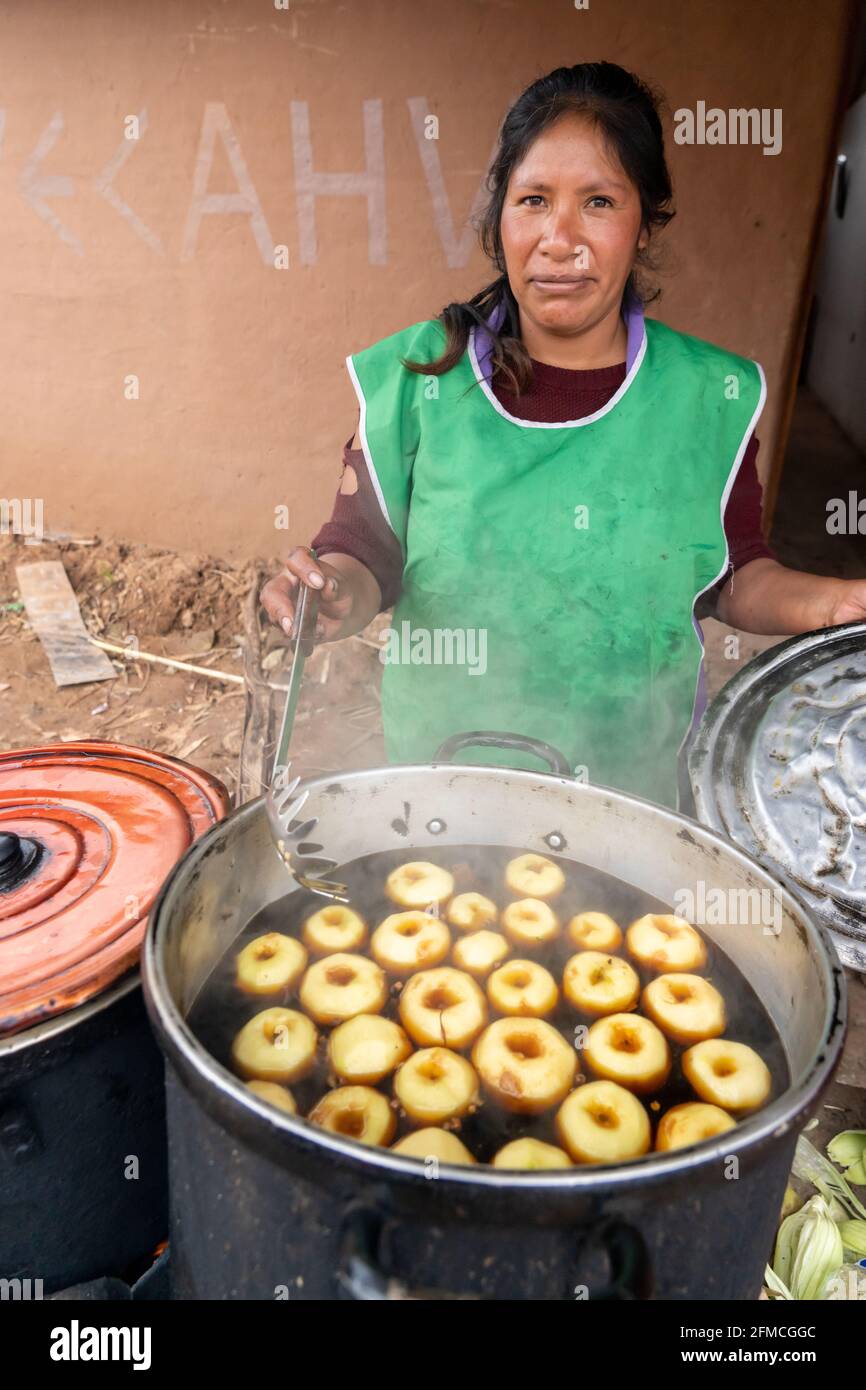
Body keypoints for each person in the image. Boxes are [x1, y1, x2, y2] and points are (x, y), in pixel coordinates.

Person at [261, 61, 866, 809]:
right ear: (500, 221)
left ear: (645, 225)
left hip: (632, 798)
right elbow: (363, 553)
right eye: (534, 201)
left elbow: (735, 573)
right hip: (444, 786)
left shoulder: (705, 397)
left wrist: (836, 603)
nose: (560, 238)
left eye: (600, 202)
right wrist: (326, 594)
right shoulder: (420, 379)